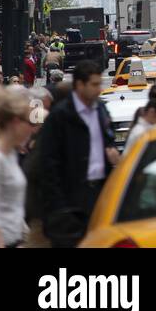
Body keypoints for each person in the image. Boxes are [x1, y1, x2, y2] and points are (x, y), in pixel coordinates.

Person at [34, 61, 120, 248]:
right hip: (70, 199)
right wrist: (59, 205)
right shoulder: (60, 116)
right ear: (80, 85)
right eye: (94, 85)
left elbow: (108, 140)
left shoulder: (101, 110)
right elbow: (48, 163)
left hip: (99, 194)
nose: (99, 90)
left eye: (100, 84)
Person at [0, 88, 38, 247]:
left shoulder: (10, 154)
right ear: (16, 122)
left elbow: (12, 207)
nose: (32, 128)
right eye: (29, 122)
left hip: (14, 240)